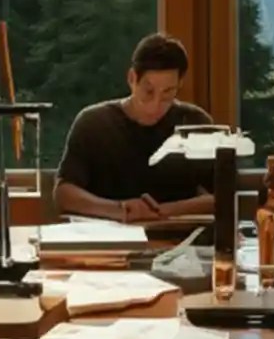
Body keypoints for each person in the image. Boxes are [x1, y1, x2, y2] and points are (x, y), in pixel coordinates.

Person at [54, 33, 214, 222]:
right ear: (132, 78)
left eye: (168, 93)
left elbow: (225, 195)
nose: (155, 105)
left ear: (179, 84)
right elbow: (63, 193)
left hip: (180, 235)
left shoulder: (194, 123)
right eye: (148, 92)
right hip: (106, 234)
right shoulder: (94, 123)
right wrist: (119, 209)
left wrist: (163, 211)